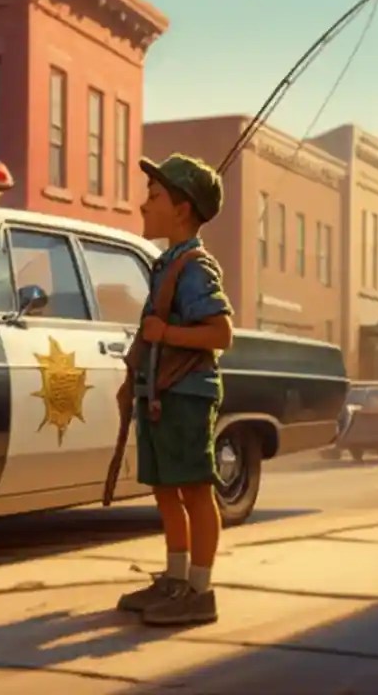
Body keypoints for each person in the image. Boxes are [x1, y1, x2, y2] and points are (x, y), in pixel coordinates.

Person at [116, 153, 234, 626]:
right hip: (160, 394)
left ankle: (199, 591)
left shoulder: (195, 268)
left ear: (182, 209)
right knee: (166, 490)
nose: (144, 206)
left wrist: (166, 335)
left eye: (154, 196)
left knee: (194, 491)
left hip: (186, 395)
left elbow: (220, 334)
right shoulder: (167, 264)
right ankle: (175, 577)